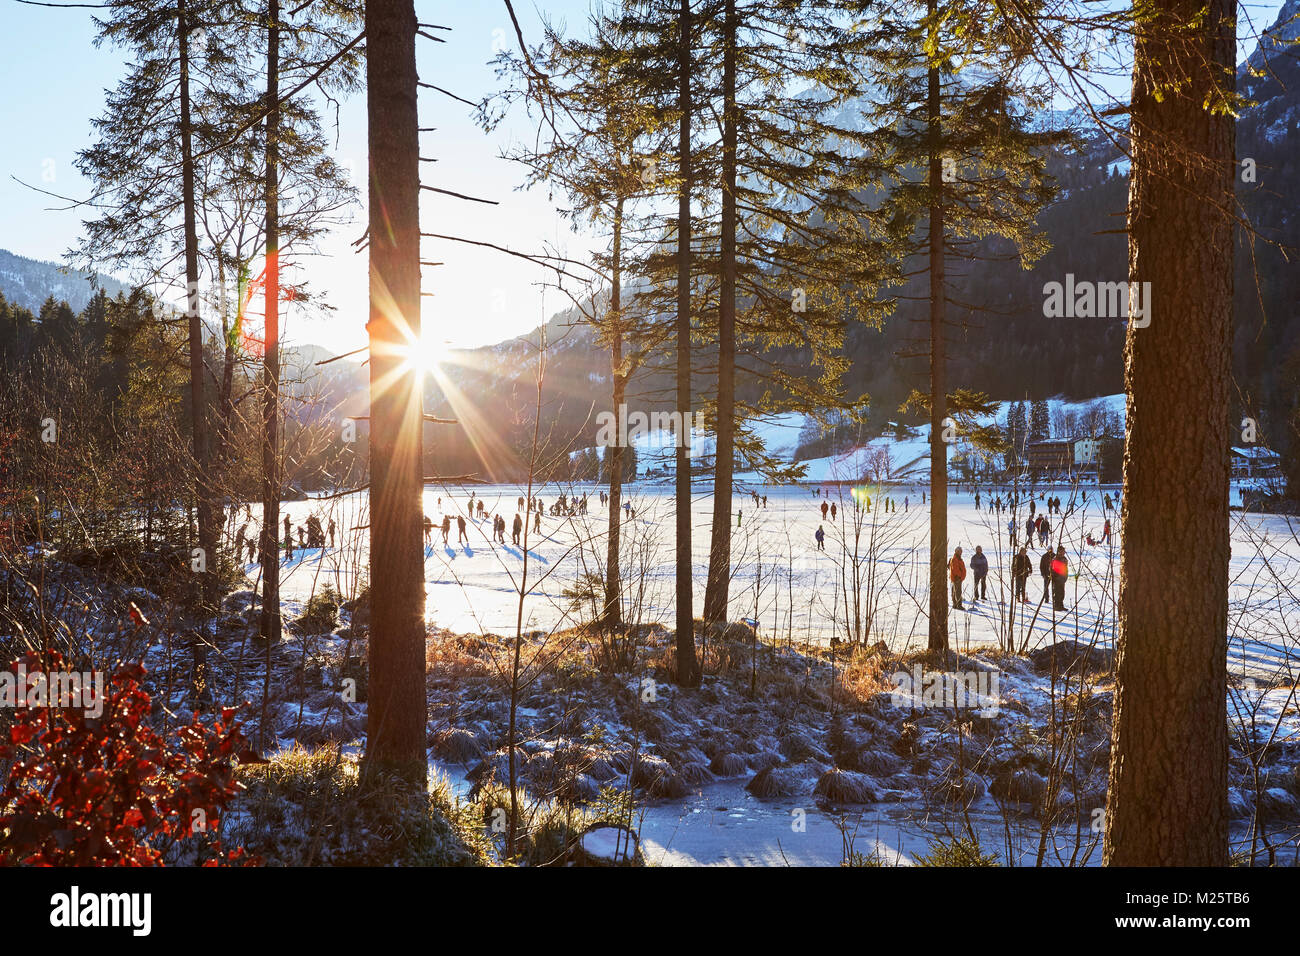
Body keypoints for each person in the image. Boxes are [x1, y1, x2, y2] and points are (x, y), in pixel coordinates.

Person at [1051, 546, 1069, 611]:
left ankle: (1061, 605)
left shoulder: (1064, 558)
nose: (1063, 552)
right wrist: (1055, 576)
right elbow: (1053, 569)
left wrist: (1065, 576)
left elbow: (1066, 568)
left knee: (1062, 593)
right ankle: (1056, 606)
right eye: (1062, 551)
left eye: (1064, 551)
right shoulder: (1056, 558)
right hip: (1057, 579)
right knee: (1057, 592)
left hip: (1062, 578)